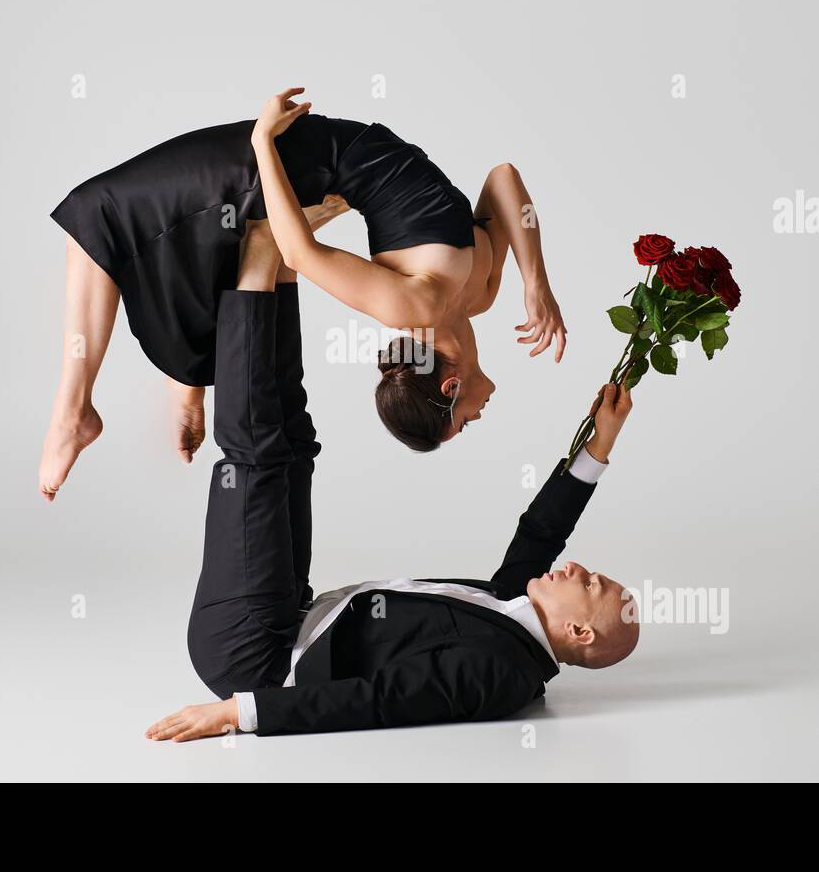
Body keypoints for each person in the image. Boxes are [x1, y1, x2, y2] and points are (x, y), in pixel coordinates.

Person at [145, 237, 636, 741]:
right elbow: (542, 532)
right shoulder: (511, 607)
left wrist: (239, 714)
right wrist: (600, 443)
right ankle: (279, 271)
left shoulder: (504, 672)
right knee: (294, 447)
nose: (578, 568)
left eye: (592, 584)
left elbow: (382, 702)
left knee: (259, 461)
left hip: (256, 656)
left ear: (580, 631)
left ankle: (252, 265)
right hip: (288, 613)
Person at [38, 88, 566, 500]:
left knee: (101, 210)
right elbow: (503, 181)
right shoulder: (481, 296)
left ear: (451, 388)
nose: (477, 417)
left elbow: (300, 253)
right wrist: (537, 286)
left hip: (307, 162)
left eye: (464, 424)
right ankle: (177, 387)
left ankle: (78, 412)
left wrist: (263, 143)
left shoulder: (413, 309)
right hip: (333, 150)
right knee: (150, 223)